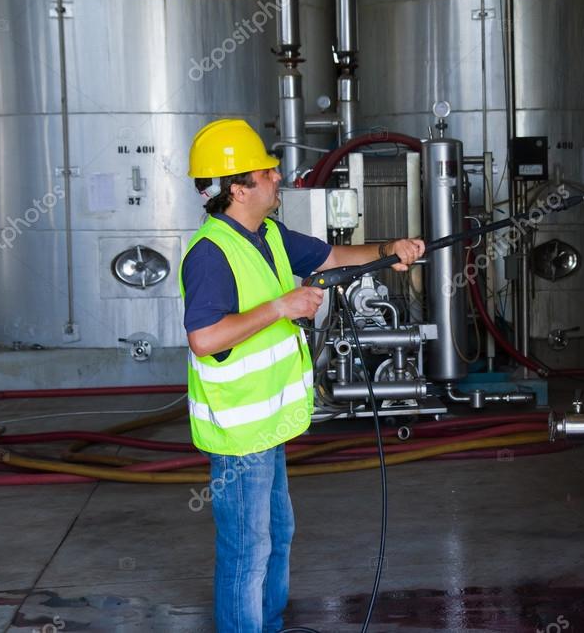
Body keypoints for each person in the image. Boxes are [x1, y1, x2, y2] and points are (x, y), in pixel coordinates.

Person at [180, 118, 424, 632]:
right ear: (238, 187)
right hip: (238, 432)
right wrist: (283, 305)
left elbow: (332, 256)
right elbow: (204, 338)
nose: (277, 177)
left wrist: (388, 252)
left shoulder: (266, 233)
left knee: (277, 533)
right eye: (267, 172)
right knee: (247, 548)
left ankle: (267, 625)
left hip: (266, 425)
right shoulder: (210, 254)